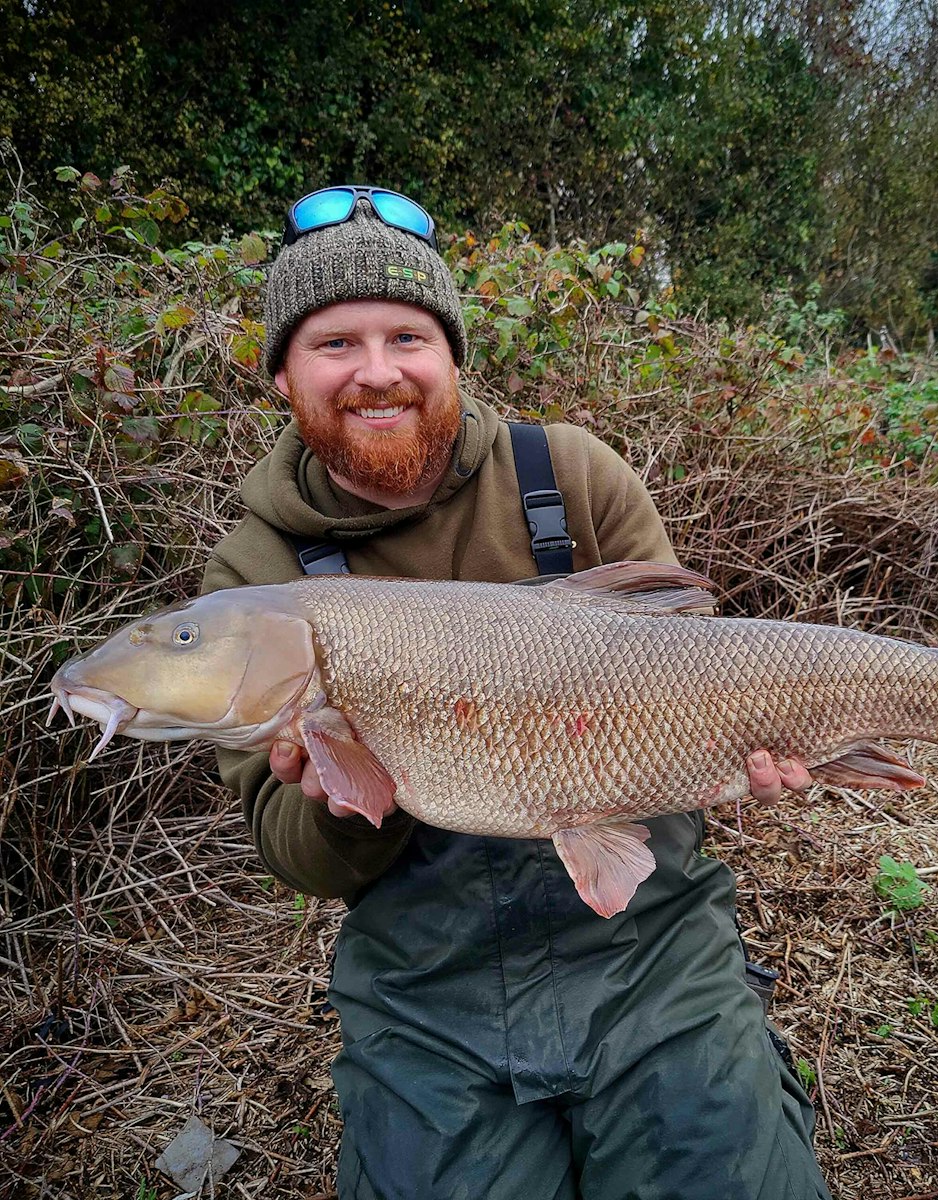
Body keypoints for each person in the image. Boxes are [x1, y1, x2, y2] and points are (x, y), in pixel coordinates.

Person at [202, 186, 833, 1200]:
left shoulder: (570, 474)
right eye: (333, 344)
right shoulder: (258, 571)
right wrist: (339, 793)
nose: (377, 372)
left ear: (451, 355)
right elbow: (290, 853)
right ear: (282, 373)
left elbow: (694, 662)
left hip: (651, 955)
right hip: (427, 987)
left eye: (407, 335)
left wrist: (747, 747)